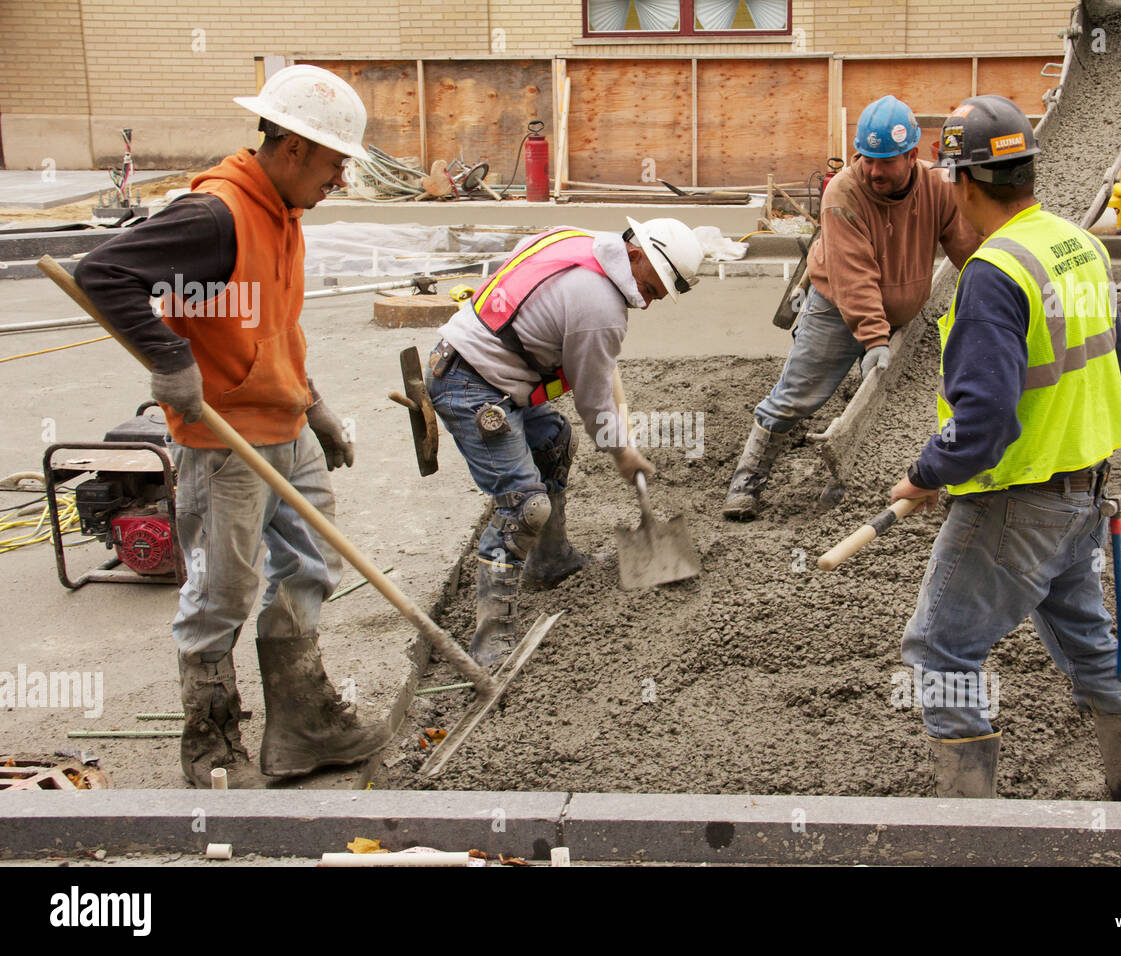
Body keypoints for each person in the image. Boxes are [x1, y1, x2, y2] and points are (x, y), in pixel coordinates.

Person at [74, 65, 390, 788]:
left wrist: (314, 404)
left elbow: (274, 325)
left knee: (312, 563)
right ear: (293, 148)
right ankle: (211, 745)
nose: (339, 180)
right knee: (222, 592)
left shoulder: (285, 216)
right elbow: (102, 273)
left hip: (285, 428)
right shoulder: (213, 215)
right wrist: (168, 357)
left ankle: (303, 725)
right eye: (336, 163)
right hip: (224, 447)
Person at [889, 94, 1121, 802]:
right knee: (1091, 647)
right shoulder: (1080, 246)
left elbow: (983, 423)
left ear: (964, 184)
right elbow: (1116, 360)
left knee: (942, 646)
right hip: (1084, 493)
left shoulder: (993, 273)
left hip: (1016, 500)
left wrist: (925, 475)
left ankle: (971, 825)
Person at [426, 217, 704, 666]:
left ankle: (550, 562)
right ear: (635, 255)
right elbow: (594, 401)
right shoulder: (601, 310)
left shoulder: (580, 241)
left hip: (483, 362)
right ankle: (490, 643)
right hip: (469, 382)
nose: (649, 304)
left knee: (554, 441)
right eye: (651, 290)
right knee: (524, 506)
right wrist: (623, 451)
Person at [722, 94, 981, 519]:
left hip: (899, 309)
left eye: (886, 161)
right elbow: (853, 276)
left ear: (912, 155)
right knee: (798, 395)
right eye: (867, 159)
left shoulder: (936, 188)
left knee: (890, 399)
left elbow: (965, 249)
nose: (874, 170)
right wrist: (874, 337)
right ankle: (747, 480)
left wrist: (991, 291)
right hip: (837, 305)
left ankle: (855, 484)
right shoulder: (844, 192)